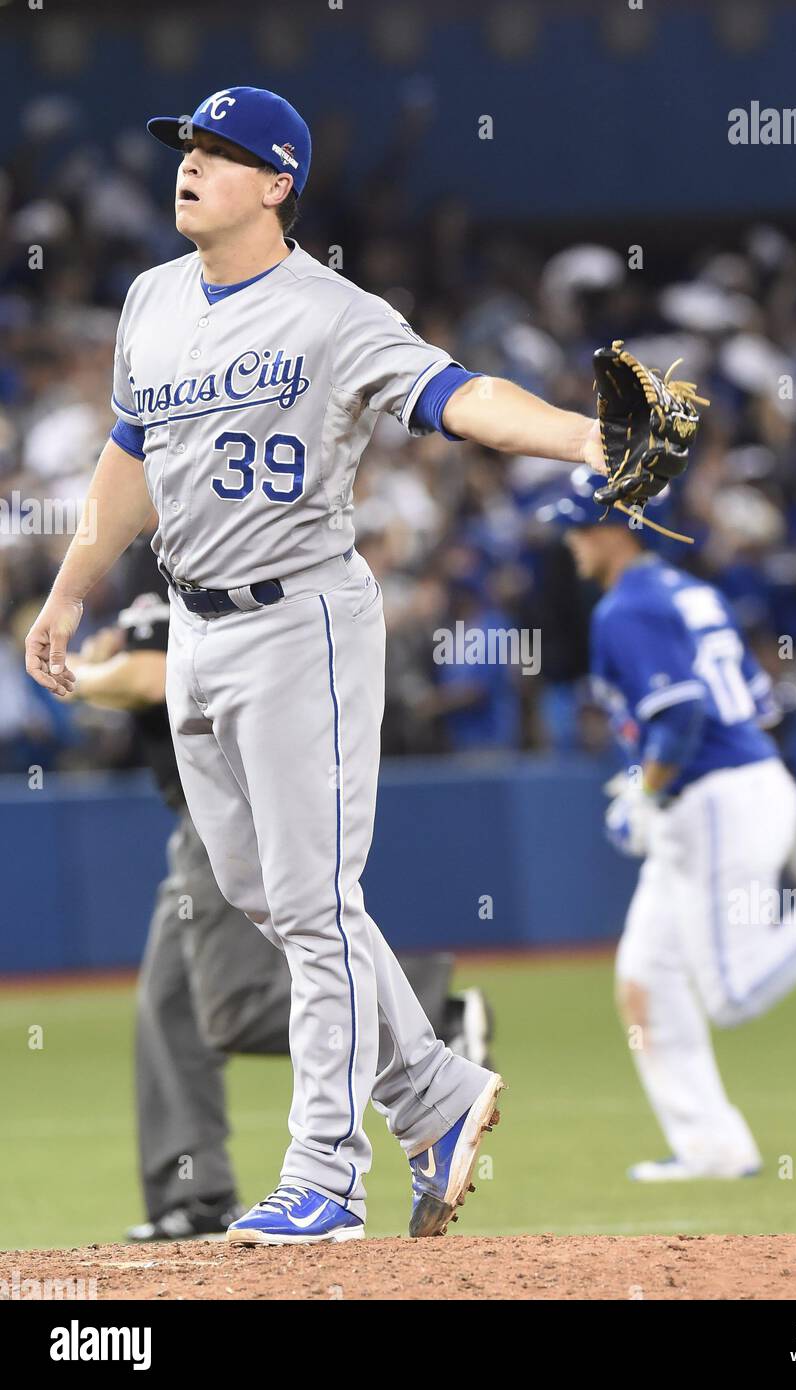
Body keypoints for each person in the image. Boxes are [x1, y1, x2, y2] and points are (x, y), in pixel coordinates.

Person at [25, 86, 606, 1243]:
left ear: (278, 181)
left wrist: (585, 434)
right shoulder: (150, 300)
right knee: (271, 900)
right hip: (194, 626)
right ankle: (435, 1093)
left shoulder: (331, 312)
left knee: (315, 902)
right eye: (186, 146)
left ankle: (324, 1178)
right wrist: (68, 591)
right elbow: (126, 464)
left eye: (219, 151)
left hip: (302, 622)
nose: (189, 164)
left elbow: (460, 395)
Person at [63, 528, 494, 1242]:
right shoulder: (164, 580)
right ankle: (195, 1193)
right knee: (168, 1006)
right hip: (198, 817)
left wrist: (77, 671)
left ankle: (428, 1035)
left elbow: (145, 679)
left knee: (238, 996)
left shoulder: (223, 561)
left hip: (234, 805)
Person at [541, 468, 796, 1182]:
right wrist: (652, 783)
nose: (571, 538)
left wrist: (645, 791)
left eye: (581, 524)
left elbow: (677, 716)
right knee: (645, 979)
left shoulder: (625, 608)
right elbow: (752, 703)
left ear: (619, 527)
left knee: (730, 994)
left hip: (712, 800)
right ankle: (711, 1147)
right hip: (727, 786)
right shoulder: (690, 590)